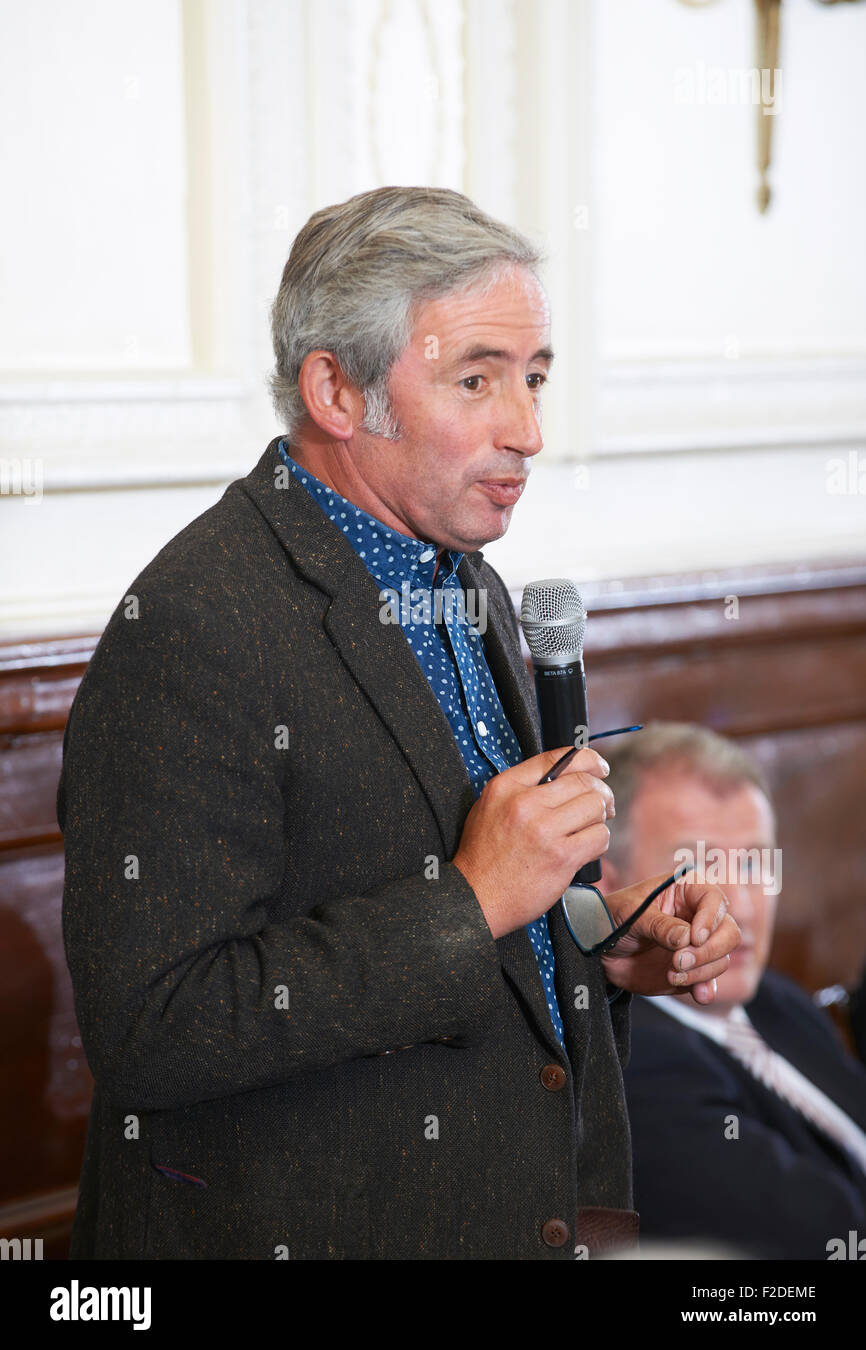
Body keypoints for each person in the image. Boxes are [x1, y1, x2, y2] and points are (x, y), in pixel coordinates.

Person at [58, 187, 738, 1260]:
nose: (527, 429)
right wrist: (468, 902)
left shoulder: (468, 583)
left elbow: (484, 899)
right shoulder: (196, 625)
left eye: (533, 377)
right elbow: (154, 1026)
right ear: (336, 387)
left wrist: (604, 945)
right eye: (475, 379)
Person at [600, 721, 866, 1260]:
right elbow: (818, 1239)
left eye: (751, 863)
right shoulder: (633, 1062)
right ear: (608, 886)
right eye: (695, 869)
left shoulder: (776, 1000)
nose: (740, 907)